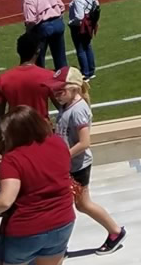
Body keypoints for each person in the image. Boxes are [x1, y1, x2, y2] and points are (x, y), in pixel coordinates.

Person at [0, 105, 77, 265]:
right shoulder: (58, 143)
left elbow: (5, 201)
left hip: (24, 230)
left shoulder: (12, 159)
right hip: (62, 222)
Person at [53, 73, 126, 254]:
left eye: (60, 90)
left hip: (76, 166)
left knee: (78, 205)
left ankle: (115, 232)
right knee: (76, 205)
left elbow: (84, 142)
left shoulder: (78, 110)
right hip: (69, 165)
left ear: (74, 89)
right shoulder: (67, 105)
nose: (56, 94)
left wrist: (63, 156)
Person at [0, 31, 59, 130]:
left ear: (18, 50)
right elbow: (62, 106)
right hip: (42, 130)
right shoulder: (49, 76)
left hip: (16, 132)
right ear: (38, 50)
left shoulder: (3, 79)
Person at [17, 0, 67, 73]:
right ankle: (64, 77)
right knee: (60, 54)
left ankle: (41, 77)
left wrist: (28, 34)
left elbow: (31, 21)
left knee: (38, 56)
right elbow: (61, 7)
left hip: (42, 27)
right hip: (58, 23)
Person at [67, 0, 101, 79]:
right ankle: (91, 70)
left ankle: (85, 73)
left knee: (80, 49)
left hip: (78, 27)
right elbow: (97, 4)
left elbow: (79, 16)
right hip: (89, 24)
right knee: (87, 46)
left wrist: (71, 22)